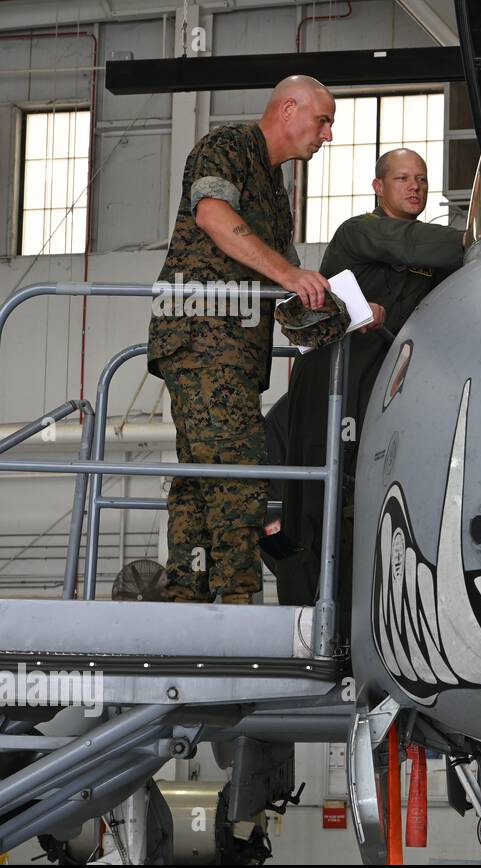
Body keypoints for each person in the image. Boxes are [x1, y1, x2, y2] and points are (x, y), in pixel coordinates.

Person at [148, 75, 345, 604]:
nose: (326, 135)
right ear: (288, 109)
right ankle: (237, 598)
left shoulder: (275, 191)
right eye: (321, 120)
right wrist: (288, 276)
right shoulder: (228, 147)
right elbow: (213, 214)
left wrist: (344, 314)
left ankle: (186, 589)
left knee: (198, 474)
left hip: (230, 346)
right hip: (202, 336)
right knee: (241, 469)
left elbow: (280, 281)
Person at [273, 148, 463, 626]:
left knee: (371, 499)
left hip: (385, 383)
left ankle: (362, 619)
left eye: (421, 179)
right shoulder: (361, 231)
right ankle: (308, 615)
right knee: (319, 500)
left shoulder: (430, 247)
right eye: (402, 179)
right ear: (379, 187)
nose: (415, 187)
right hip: (334, 381)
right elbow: (429, 248)